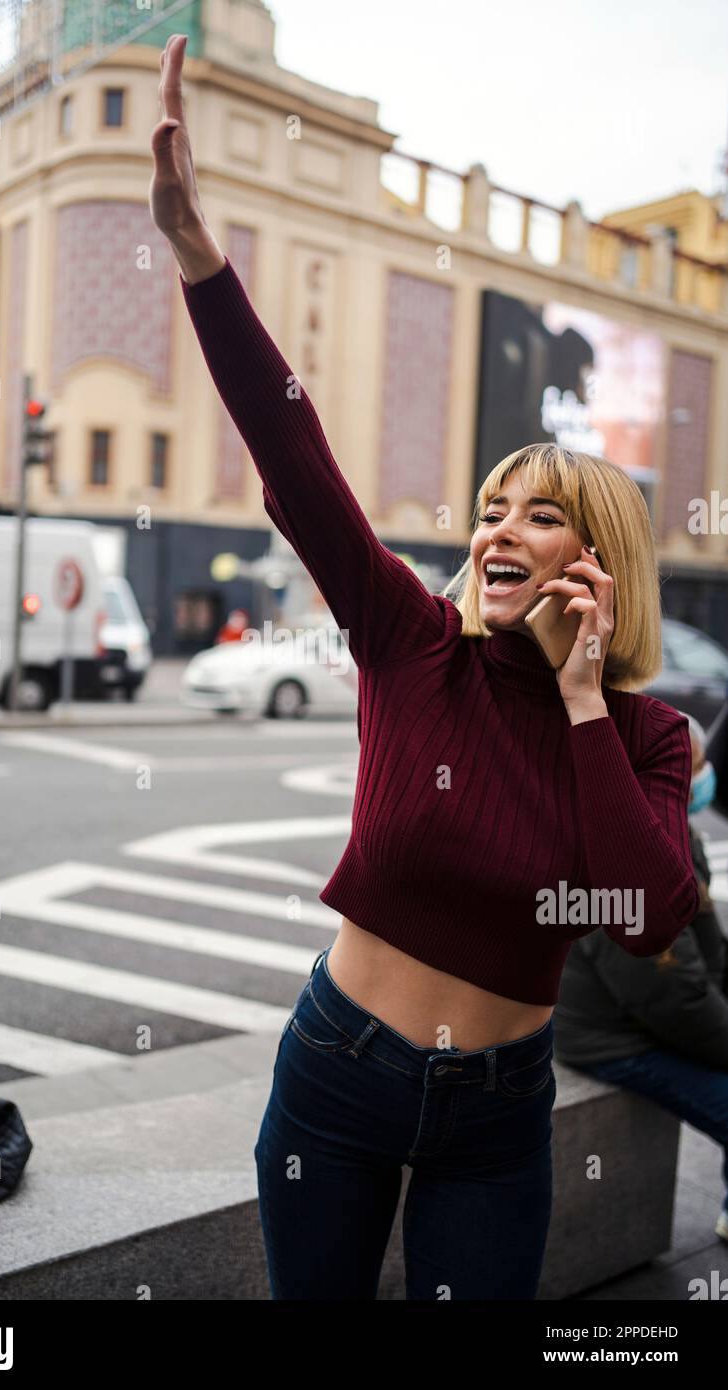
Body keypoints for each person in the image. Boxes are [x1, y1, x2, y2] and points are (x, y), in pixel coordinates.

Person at [149, 33, 700, 1300]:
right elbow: (300, 464)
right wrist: (199, 260)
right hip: (338, 1074)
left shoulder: (645, 739)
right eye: (491, 507)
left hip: (496, 1117)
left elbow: (642, 913)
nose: (497, 529)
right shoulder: (410, 640)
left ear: (596, 555)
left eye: (537, 513)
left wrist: (577, 706)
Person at [553, 713, 728, 1242]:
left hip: (650, 1012)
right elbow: (671, 999)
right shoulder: (623, 856)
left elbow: (706, 944)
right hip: (610, 1038)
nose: (702, 781)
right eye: (691, 770)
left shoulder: (673, 829)